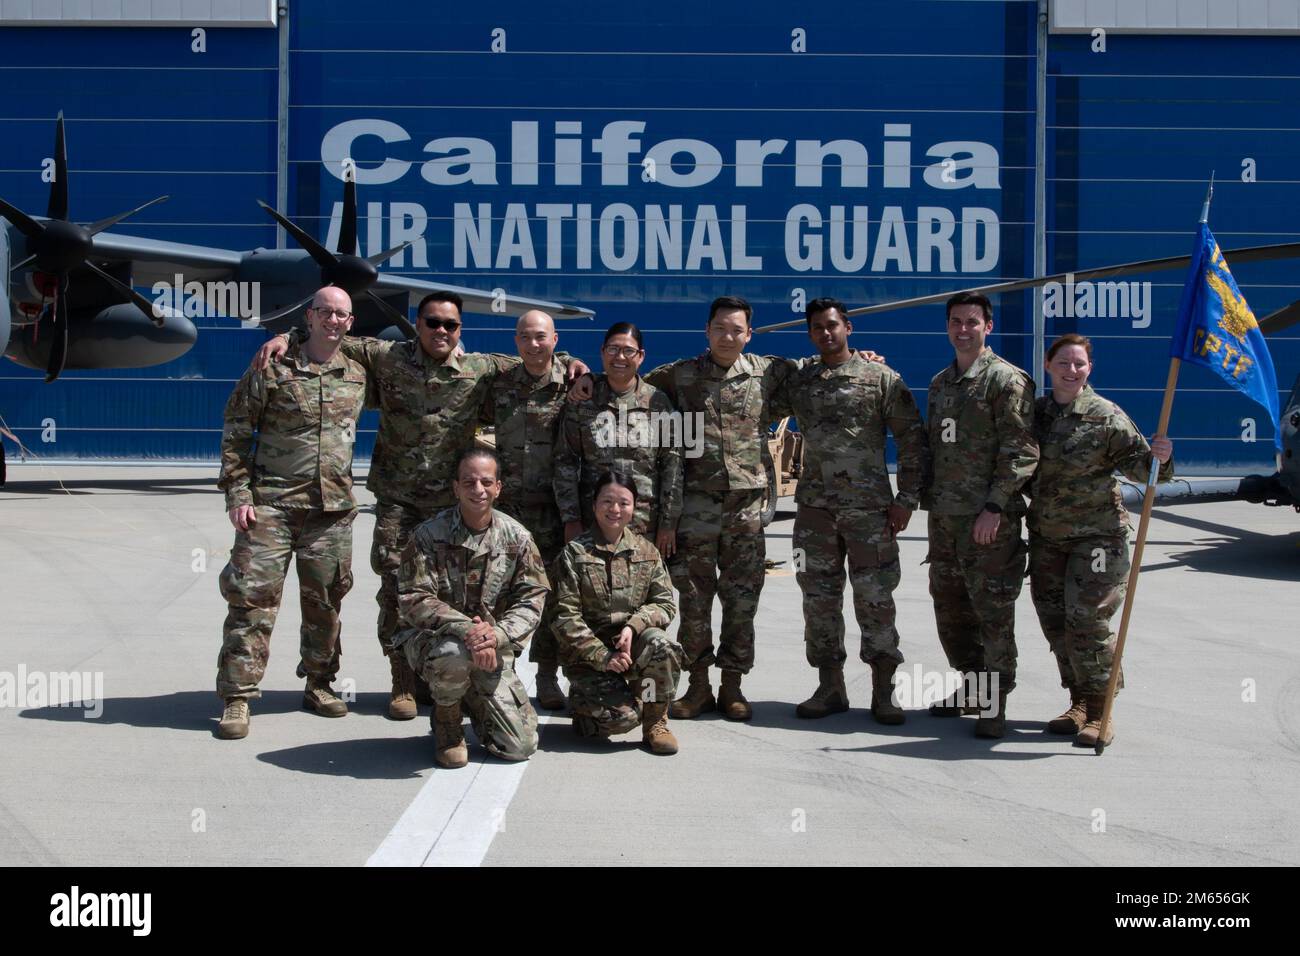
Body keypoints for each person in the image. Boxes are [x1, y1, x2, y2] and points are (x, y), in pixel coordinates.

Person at [254, 293, 587, 721]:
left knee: (456, 597)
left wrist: (575, 363)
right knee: (395, 593)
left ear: (460, 330)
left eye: (450, 324)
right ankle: (403, 683)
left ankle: (444, 677)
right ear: (418, 325)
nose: (441, 331)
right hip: (398, 504)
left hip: (452, 510)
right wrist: (286, 335)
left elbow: (536, 362)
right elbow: (331, 335)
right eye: (433, 322)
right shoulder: (386, 356)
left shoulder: (478, 368)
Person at [215, 286, 367, 739]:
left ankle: (319, 683)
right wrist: (238, 495)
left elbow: (413, 359)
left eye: (342, 314)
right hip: (272, 506)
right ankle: (238, 696)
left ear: (350, 322)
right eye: (325, 312)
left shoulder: (359, 371)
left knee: (326, 603)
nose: (333, 321)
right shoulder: (271, 366)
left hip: (331, 510)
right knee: (251, 601)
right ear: (309, 315)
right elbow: (237, 430)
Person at [637, 296, 796, 722]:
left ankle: (732, 686)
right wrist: (581, 376)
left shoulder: (769, 372)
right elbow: (630, 383)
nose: (728, 337)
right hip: (696, 509)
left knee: (742, 601)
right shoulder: (679, 375)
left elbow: (822, 373)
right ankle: (699, 686)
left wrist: (864, 356)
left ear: (749, 334)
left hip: (746, 509)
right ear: (707, 331)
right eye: (720, 328)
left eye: (737, 329)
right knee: (693, 601)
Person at [774, 297, 927, 724]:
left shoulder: (881, 378)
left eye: (832, 325)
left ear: (848, 327)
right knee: (818, 600)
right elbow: (757, 391)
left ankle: (883, 691)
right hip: (814, 514)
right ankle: (830, 686)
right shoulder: (801, 381)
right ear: (810, 334)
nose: (826, 333)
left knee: (875, 600)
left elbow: (913, 440)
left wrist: (906, 499)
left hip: (870, 513)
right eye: (817, 328)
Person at [1028, 333, 1173, 747]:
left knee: (1088, 622)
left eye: (1079, 364)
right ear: (1048, 366)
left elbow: (1148, 473)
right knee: (1055, 622)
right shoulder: (1035, 415)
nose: (1071, 371)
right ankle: (1079, 701)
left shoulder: (1106, 416)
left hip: (1097, 539)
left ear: (1089, 369)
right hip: (1047, 537)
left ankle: (1101, 711)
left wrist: (1159, 457)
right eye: (1063, 363)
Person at [922, 292, 1039, 737]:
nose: (963, 329)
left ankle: (995, 700)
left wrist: (994, 506)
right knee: (951, 611)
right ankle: (971, 686)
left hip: (990, 521)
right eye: (956, 321)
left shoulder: (1006, 381)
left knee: (992, 611)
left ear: (988, 326)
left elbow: (1022, 451)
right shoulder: (940, 383)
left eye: (972, 321)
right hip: (945, 521)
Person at [394, 448, 549, 768]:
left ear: (498, 488)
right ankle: (447, 721)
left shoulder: (517, 537)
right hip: (436, 643)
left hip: (492, 648)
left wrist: (496, 635)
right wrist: (468, 630)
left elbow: (532, 599)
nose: (478, 489)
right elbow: (413, 597)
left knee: (518, 746)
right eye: (469, 482)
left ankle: (474, 699)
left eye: (486, 482)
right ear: (455, 488)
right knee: (454, 653)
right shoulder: (427, 535)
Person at [481, 310, 575, 711]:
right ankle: (503, 672)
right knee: (500, 594)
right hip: (508, 512)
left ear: (555, 339)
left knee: (550, 597)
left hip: (555, 511)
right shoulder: (499, 384)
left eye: (541, 337)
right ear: (516, 341)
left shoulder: (574, 386)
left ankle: (547, 676)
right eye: (525, 337)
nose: (533, 344)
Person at [550, 471, 683, 754]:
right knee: (623, 719)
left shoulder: (646, 551)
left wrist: (633, 627)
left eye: (624, 502)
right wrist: (604, 657)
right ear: (594, 505)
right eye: (607, 501)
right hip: (589, 658)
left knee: (662, 645)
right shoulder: (574, 554)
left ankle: (655, 722)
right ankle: (585, 707)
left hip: (631, 649)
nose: (615, 509)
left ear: (634, 507)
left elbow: (665, 603)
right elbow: (564, 617)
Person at [553, 322, 683, 547]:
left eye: (628, 351)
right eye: (613, 349)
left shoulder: (658, 403)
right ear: (602, 352)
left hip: (644, 524)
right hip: (592, 522)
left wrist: (668, 523)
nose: (619, 357)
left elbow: (672, 465)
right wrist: (571, 519)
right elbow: (566, 461)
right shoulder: (584, 400)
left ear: (641, 356)